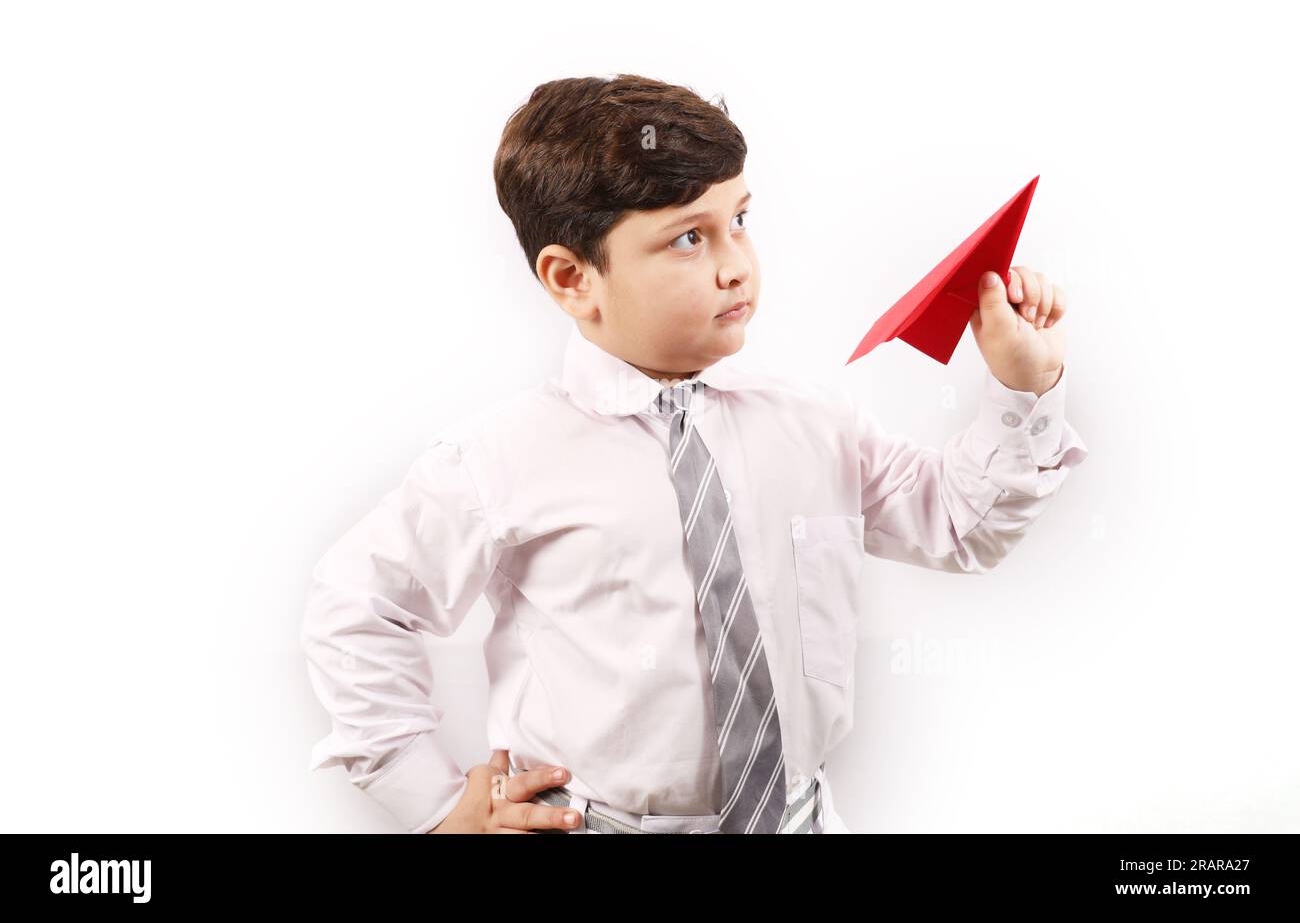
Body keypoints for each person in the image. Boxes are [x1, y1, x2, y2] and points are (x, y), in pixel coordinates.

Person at [299, 74, 1089, 834]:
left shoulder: (811, 422)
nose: (735, 262)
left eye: (740, 219)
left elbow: (960, 526)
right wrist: (432, 804)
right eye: (688, 237)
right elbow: (357, 604)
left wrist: (1026, 387)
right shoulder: (500, 458)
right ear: (573, 278)